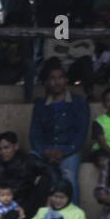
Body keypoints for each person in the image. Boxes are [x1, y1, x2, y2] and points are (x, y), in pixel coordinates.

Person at [29, 65, 90, 194]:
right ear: (46, 82)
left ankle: (73, 215)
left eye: (60, 77)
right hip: (45, 149)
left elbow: (81, 134)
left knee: (69, 180)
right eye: (52, 78)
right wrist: (45, 151)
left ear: (66, 80)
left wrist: (63, 151)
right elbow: (35, 133)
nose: (56, 82)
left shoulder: (79, 102)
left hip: (69, 150)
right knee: (29, 172)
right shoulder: (40, 104)